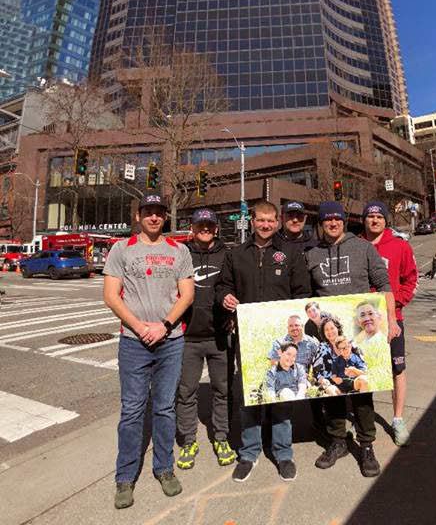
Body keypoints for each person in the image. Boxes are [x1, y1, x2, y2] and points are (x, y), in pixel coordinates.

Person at [103, 193, 195, 510]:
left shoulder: (179, 250)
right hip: (133, 342)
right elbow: (111, 296)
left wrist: (164, 326)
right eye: (148, 212)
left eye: (159, 212)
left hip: (170, 341)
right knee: (132, 410)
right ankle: (125, 477)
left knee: (165, 408)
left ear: (165, 217)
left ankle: (164, 469)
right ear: (139, 215)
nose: (154, 217)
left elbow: (186, 295)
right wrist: (141, 327)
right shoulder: (121, 248)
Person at [217, 199, 310, 483]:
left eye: (271, 220)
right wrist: (225, 297)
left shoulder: (291, 254)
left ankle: (283, 454)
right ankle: (249, 453)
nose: (266, 225)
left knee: (281, 394)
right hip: (249, 337)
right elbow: (224, 285)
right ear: (252, 221)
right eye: (261, 220)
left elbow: (302, 293)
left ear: (277, 222)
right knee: (252, 396)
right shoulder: (236, 255)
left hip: (282, 339)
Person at [306, 201, 398, 477]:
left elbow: (383, 285)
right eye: (327, 220)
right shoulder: (311, 254)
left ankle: (366, 445)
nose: (332, 224)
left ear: (344, 221)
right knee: (332, 389)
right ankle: (337, 442)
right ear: (321, 224)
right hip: (327, 334)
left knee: (361, 391)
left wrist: (391, 320)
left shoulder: (363, 248)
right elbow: (303, 293)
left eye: (337, 219)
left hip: (358, 332)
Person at [175, 208, 236, 472]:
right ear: (193, 226)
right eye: (201, 224)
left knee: (222, 390)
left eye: (210, 225)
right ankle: (189, 441)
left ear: (216, 228)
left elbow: (237, 286)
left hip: (220, 336)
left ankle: (221, 437)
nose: (206, 229)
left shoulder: (228, 254)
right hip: (188, 337)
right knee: (186, 392)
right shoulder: (182, 254)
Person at [362, 201, 418, 446]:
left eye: (379, 216)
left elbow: (411, 279)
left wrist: (395, 304)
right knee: (363, 369)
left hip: (392, 321)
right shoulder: (354, 245)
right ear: (363, 220)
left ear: (385, 220)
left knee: (397, 369)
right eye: (370, 216)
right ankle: (362, 420)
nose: (374, 220)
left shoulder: (399, 246)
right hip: (362, 321)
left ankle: (397, 419)